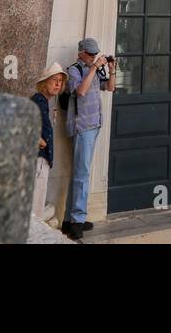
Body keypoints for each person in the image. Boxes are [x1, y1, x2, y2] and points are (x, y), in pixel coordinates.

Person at [62, 38, 115, 240]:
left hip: (95, 124)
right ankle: (77, 221)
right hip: (82, 126)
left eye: (96, 54)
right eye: (91, 54)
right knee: (82, 174)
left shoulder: (94, 69)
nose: (95, 57)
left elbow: (110, 88)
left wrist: (111, 69)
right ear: (81, 53)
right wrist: (93, 67)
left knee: (80, 173)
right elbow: (81, 91)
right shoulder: (74, 70)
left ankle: (70, 219)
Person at [31, 63, 65, 219]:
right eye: (54, 80)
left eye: (60, 80)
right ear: (44, 83)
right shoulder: (38, 101)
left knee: (37, 203)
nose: (58, 84)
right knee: (36, 206)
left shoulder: (44, 102)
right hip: (38, 159)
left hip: (41, 160)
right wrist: (42, 142)